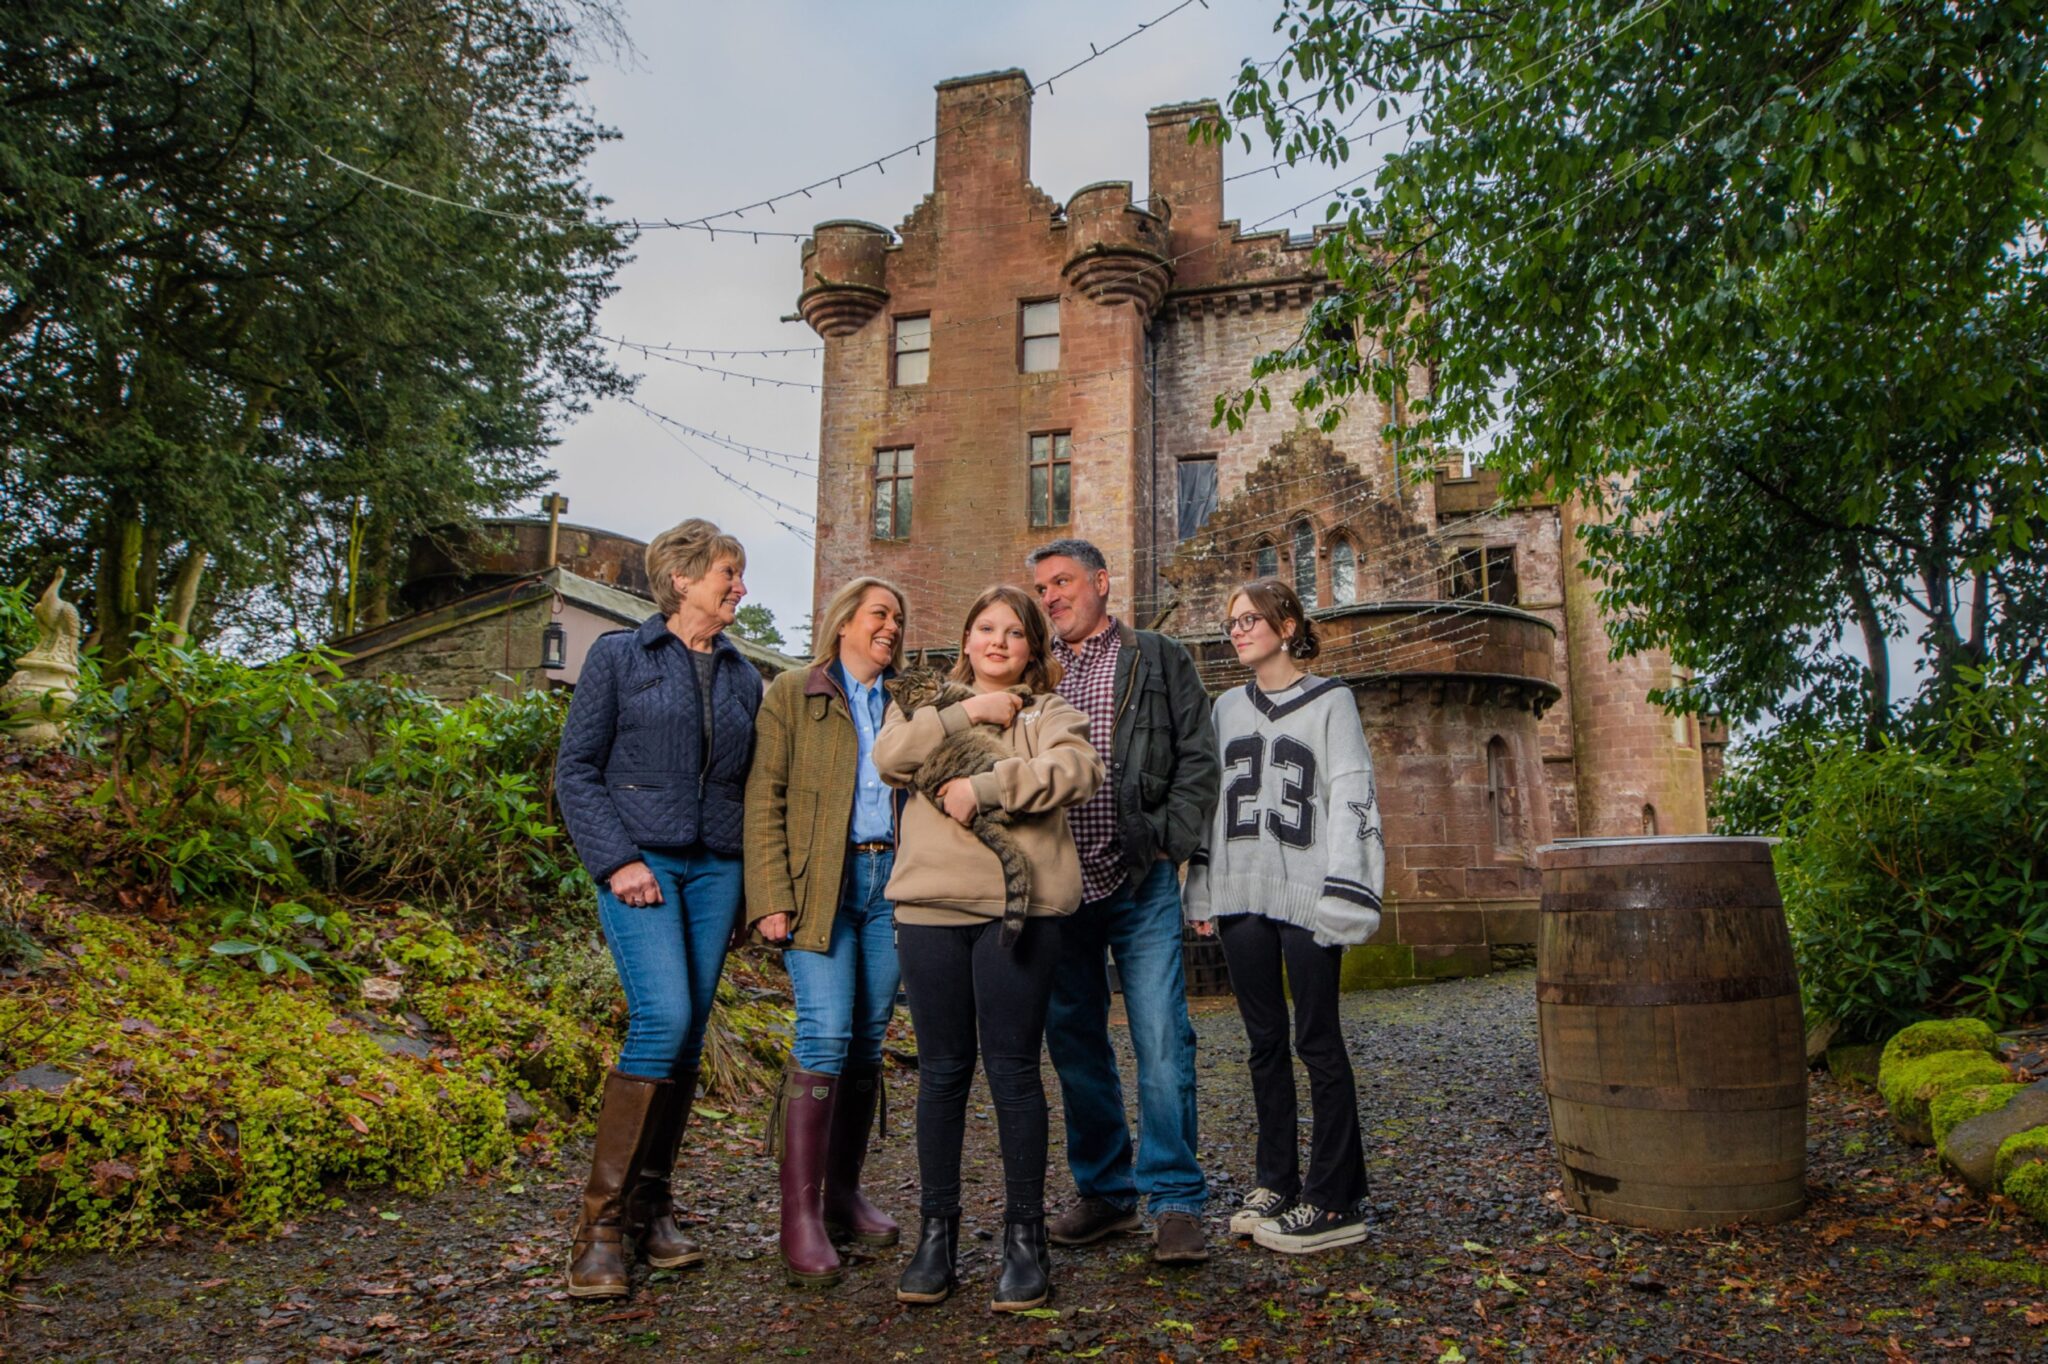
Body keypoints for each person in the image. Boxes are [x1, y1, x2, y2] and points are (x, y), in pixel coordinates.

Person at [874, 585, 1105, 1312]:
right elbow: (891, 757)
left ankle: (1024, 1238)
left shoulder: (1050, 714)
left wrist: (987, 785)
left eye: (1014, 631)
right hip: (930, 907)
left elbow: (1078, 772)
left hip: (1021, 909)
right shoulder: (925, 707)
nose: (998, 641)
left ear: (1033, 647)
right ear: (966, 639)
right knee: (942, 1072)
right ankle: (935, 1236)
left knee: (1012, 1071)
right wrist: (967, 712)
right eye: (984, 628)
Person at [555, 518, 763, 1298]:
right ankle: (598, 1227)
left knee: (688, 1035)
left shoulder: (744, 675)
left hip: (716, 872)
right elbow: (576, 771)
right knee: (663, 1019)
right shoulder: (619, 657)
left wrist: (750, 886)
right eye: (727, 573)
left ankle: (651, 1204)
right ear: (682, 578)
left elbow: (750, 788)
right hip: (641, 867)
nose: (739, 587)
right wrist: (618, 861)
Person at [1028, 538, 1220, 1264]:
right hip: (1060, 888)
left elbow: (1199, 756)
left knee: (1163, 1038)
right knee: (1075, 1043)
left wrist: (1170, 840)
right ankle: (1107, 1194)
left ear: (1102, 583)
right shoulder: (1034, 668)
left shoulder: (1158, 656)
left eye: (1063, 581)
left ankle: (1174, 1201)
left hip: (1138, 881)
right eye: (1043, 587)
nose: (1051, 596)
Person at [1184, 578, 1384, 1255]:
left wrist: (1344, 892)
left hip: (1308, 898)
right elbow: (1212, 802)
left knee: (1317, 1040)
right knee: (1263, 1043)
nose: (1238, 630)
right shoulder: (1223, 710)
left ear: (1288, 624)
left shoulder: (1333, 702)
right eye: (1231, 621)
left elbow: (1353, 795)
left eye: (1250, 619)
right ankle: (1276, 1179)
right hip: (1242, 898)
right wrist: (1204, 891)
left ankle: (1336, 1197)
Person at [744, 577, 910, 1287]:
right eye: (880, 614)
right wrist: (770, 897)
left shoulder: (901, 707)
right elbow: (764, 798)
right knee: (825, 1035)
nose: (892, 628)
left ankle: (842, 1194)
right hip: (819, 886)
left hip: (886, 887)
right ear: (844, 621)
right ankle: (800, 1215)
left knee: (869, 1037)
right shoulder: (793, 693)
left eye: (899, 619)